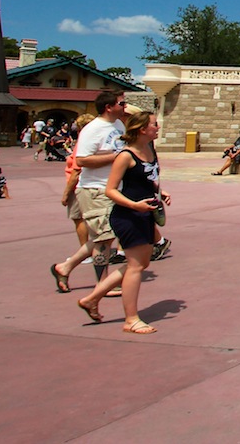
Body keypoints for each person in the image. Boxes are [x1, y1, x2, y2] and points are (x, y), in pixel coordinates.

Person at [76, 110, 170, 335]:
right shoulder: (125, 156)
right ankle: (131, 319)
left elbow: (148, 177)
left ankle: (91, 298)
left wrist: (159, 191)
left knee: (139, 264)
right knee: (136, 266)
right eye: (154, 125)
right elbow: (110, 190)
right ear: (141, 129)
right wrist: (134, 205)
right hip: (128, 215)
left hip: (146, 212)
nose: (157, 128)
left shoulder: (150, 150)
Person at [51, 91, 127, 294]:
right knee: (103, 239)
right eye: (122, 103)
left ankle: (64, 267)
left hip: (113, 188)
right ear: (109, 106)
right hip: (95, 189)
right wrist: (115, 157)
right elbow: (82, 160)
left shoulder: (118, 125)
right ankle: (103, 284)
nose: (125, 106)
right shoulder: (93, 129)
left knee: (103, 236)